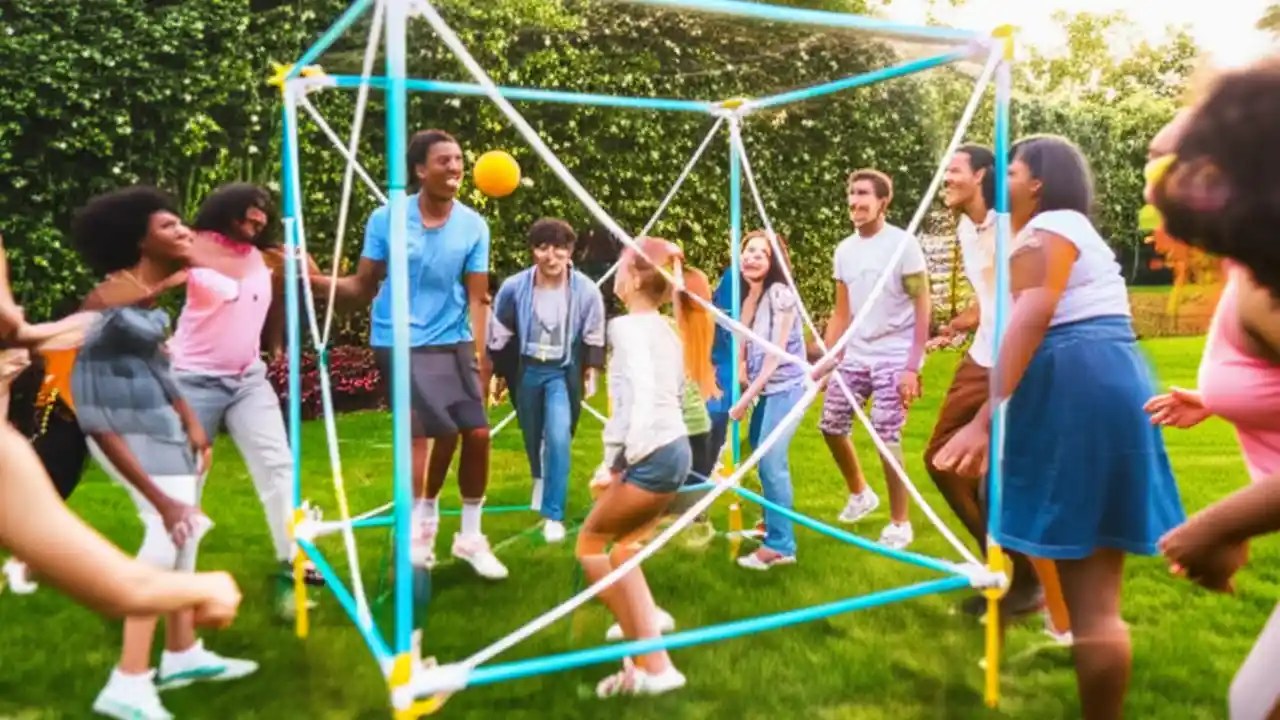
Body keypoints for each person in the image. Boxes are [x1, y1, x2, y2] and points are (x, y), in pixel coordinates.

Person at [933, 135, 1185, 720]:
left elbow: (1032, 315)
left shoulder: (1053, 227)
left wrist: (982, 418)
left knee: (1095, 603)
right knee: (1089, 596)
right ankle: (1036, 599)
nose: (1004, 181)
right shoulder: (1040, 233)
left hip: (1081, 382)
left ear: (1038, 182)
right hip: (1086, 379)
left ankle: (1047, 609)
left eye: (1013, 170)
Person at [68, 187, 259, 720]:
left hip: (158, 426)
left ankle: (181, 653)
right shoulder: (106, 305)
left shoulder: (146, 296)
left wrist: (194, 425)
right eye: (169, 227)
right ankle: (127, 681)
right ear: (138, 240)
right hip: (123, 432)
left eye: (183, 225)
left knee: (186, 530)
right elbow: (93, 411)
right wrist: (160, 496)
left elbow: (158, 367)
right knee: (166, 529)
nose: (184, 233)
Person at [1144, 58, 1280, 720]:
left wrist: (1213, 527)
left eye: (1179, 159)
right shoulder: (1252, 269)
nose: (1159, 181)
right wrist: (1221, 398)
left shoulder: (1264, 292)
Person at [313, 129, 505, 579]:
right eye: (445, 160)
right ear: (420, 169)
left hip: (452, 338)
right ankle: (418, 528)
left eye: (459, 159)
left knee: (474, 434)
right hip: (397, 340)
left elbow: (478, 298)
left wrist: (482, 358)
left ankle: (469, 536)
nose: (456, 167)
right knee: (420, 437)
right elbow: (362, 287)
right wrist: (314, 281)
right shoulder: (387, 219)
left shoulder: (474, 225)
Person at [167, 183, 323, 596]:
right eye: (250, 211)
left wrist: (296, 254)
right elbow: (143, 284)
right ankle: (177, 579)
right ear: (227, 211)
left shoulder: (261, 256)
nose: (258, 218)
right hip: (193, 379)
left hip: (247, 380)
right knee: (187, 478)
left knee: (278, 464)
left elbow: (310, 277)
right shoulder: (194, 246)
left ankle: (296, 556)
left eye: (263, 212)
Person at [924, 145, 1055, 628]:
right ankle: (1003, 568)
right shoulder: (965, 228)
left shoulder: (1015, 227)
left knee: (995, 479)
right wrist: (960, 322)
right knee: (940, 459)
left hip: (1017, 357)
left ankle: (1024, 584)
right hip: (981, 353)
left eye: (954, 170)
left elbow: (1029, 304)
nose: (946, 179)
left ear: (981, 175)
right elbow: (990, 295)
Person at [583, 237, 697, 698]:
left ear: (630, 278)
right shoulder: (669, 328)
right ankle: (647, 620)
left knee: (592, 546)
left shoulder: (627, 329)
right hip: (674, 448)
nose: (615, 273)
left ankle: (654, 663)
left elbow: (636, 401)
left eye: (619, 266)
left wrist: (616, 462)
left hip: (654, 450)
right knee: (624, 548)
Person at [813, 169, 930, 550]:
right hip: (857, 353)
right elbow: (841, 312)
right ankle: (861, 494)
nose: (854, 201)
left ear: (883, 202)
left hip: (894, 353)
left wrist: (912, 366)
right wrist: (829, 360)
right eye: (850, 194)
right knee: (830, 424)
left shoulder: (903, 245)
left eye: (863, 193)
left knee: (886, 435)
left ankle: (900, 522)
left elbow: (922, 304)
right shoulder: (844, 250)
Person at [488, 218, 606, 544]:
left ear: (570, 252)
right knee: (531, 433)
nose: (550, 256)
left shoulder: (586, 291)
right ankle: (539, 477)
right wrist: (494, 376)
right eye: (542, 247)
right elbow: (500, 332)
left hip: (561, 372)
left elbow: (594, 331)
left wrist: (591, 372)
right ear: (533, 251)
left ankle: (553, 513)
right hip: (526, 371)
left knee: (558, 436)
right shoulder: (514, 287)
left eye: (559, 249)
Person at [730, 230, 807, 570]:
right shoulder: (752, 296)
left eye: (762, 253)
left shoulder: (781, 294)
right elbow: (742, 341)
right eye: (748, 251)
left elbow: (775, 357)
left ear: (775, 261)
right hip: (769, 388)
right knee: (761, 456)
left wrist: (745, 398)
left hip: (788, 387)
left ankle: (781, 546)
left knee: (771, 462)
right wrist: (742, 366)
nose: (752, 257)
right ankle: (770, 525)